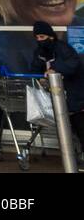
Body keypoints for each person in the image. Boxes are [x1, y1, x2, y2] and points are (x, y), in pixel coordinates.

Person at [30, 21, 84, 156]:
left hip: (72, 93)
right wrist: (40, 76)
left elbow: (73, 65)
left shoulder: (63, 48)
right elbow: (34, 68)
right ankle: (73, 154)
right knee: (67, 126)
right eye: (37, 38)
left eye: (42, 37)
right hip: (56, 94)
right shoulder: (39, 52)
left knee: (79, 124)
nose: (39, 40)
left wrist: (55, 70)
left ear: (51, 36)